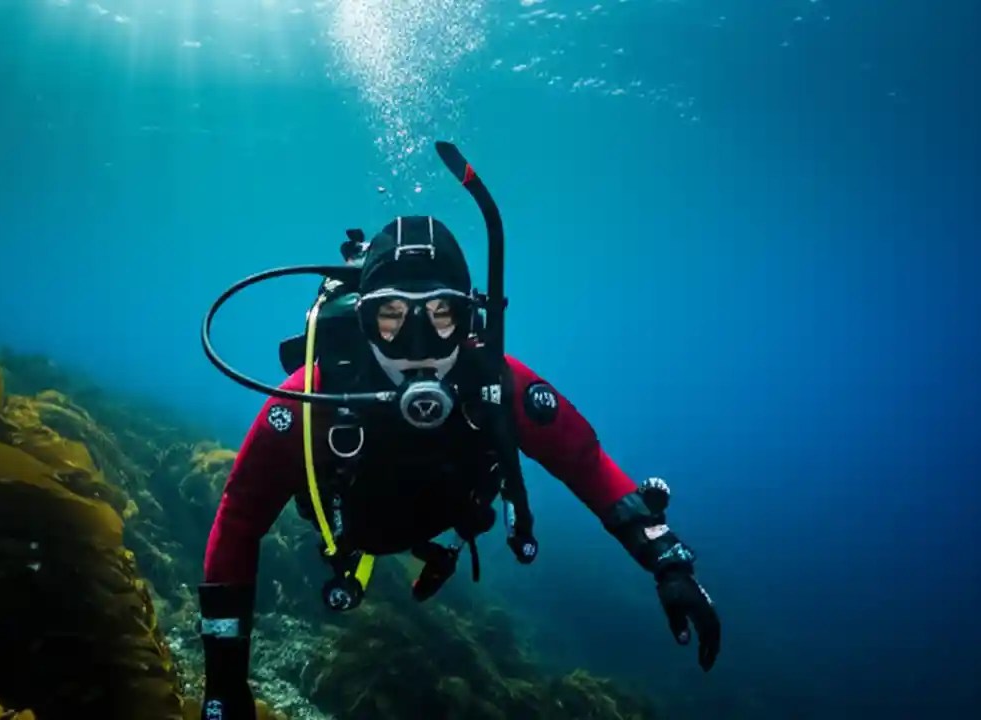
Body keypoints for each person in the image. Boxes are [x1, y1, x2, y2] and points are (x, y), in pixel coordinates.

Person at [197, 143, 721, 720]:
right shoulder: (314, 392)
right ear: (363, 321)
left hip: (445, 520)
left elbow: (583, 458)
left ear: (471, 320)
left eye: (441, 315)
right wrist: (224, 685)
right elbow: (240, 513)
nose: (419, 347)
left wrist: (666, 557)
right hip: (356, 527)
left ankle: (436, 555)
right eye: (392, 317)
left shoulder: (493, 381)